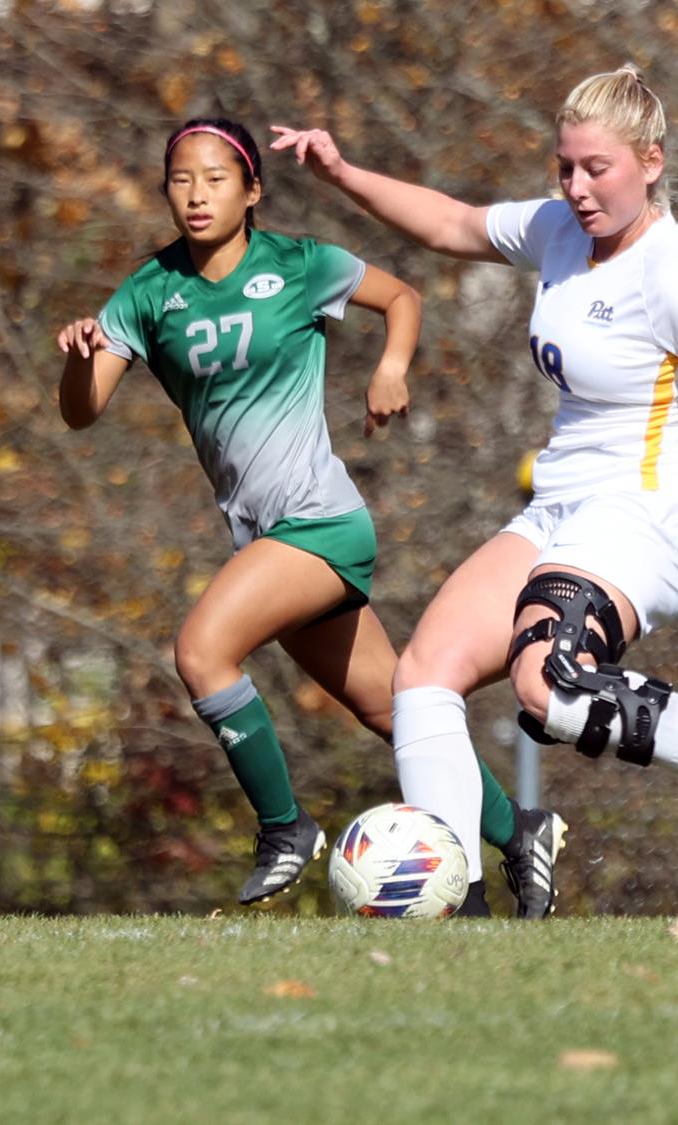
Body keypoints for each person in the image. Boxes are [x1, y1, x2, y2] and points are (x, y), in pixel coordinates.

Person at [272, 66, 678, 918]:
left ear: (651, 162)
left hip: (642, 517)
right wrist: (341, 172)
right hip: (557, 508)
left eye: (598, 169)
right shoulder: (559, 230)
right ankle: (460, 909)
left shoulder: (676, 272)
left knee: (548, 685)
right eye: (566, 168)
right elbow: (452, 223)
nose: (577, 188)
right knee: (421, 678)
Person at [55, 117, 474, 907]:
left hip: (320, 522)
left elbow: (402, 296)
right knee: (398, 712)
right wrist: (80, 364)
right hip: (268, 539)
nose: (197, 194)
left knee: (202, 652)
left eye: (216, 178)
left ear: (252, 191)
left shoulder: (298, 264)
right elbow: (83, 412)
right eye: (181, 179)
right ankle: (522, 832)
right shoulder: (149, 291)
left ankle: (286, 826)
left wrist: (390, 366)